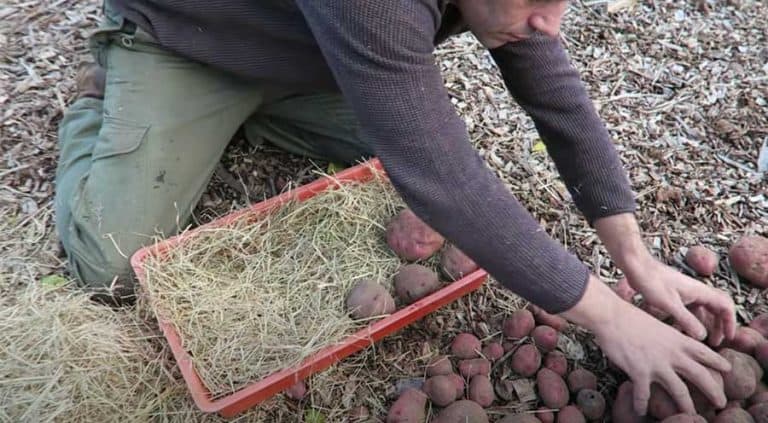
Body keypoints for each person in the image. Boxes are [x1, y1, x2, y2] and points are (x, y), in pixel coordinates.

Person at [55, 0, 736, 416]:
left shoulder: (514, 11)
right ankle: (104, 98)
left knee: (403, 149)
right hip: (190, 41)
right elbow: (444, 179)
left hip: (311, 51)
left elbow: (551, 89)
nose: (549, 21)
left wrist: (634, 257)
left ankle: (233, 121)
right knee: (108, 261)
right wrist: (610, 317)